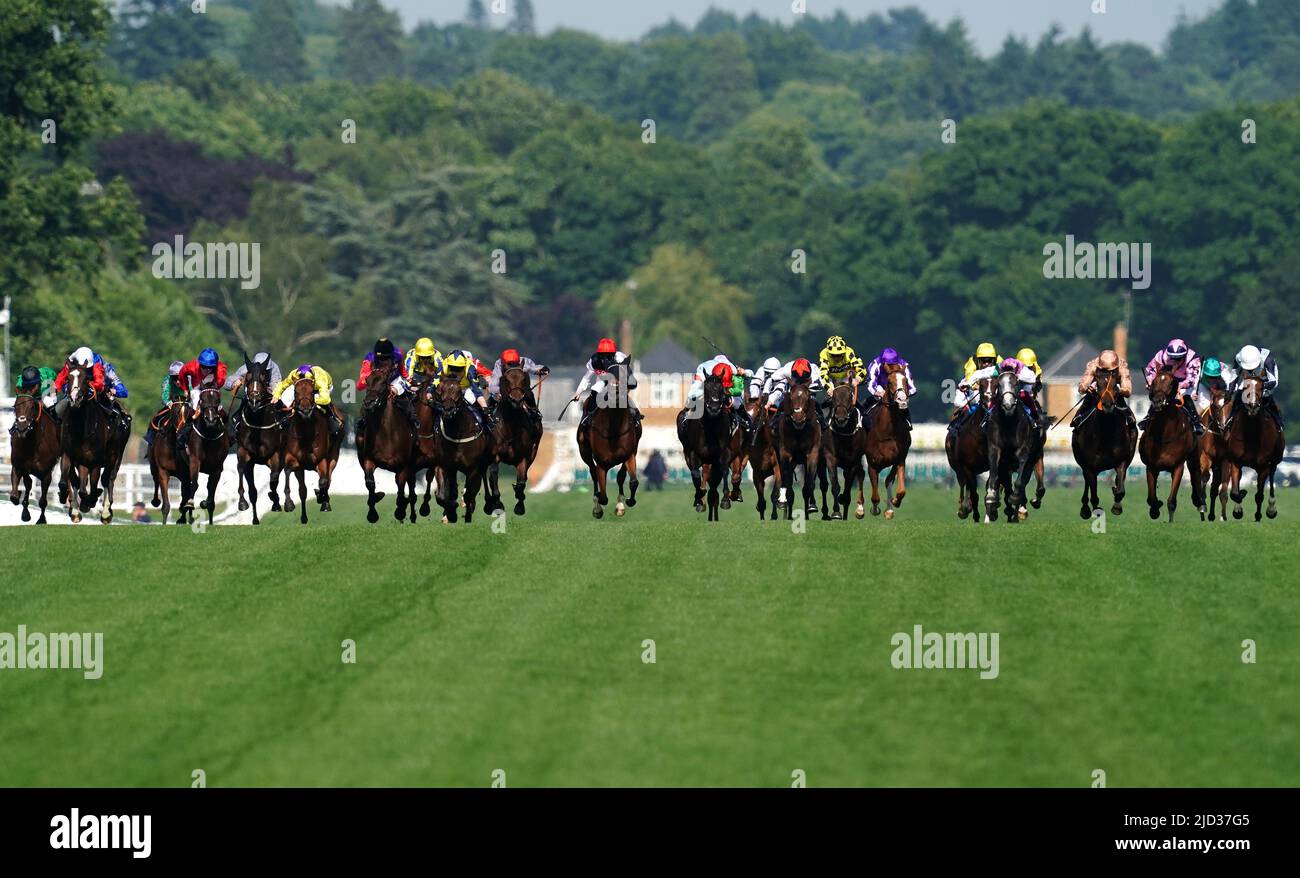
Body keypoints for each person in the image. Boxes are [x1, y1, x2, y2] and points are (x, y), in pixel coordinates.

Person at [572, 337, 641, 432]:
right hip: (602, 379)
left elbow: (627, 374)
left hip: (617, 380)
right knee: (595, 390)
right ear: (599, 354)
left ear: (614, 354)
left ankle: (634, 416)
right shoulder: (594, 360)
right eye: (603, 355)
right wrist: (578, 392)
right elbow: (587, 377)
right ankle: (587, 417)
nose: (605, 358)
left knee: (622, 398)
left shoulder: (620, 358)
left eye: (609, 355)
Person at [1140, 338, 1204, 436]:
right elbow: (1152, 370)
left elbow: (1192, 378)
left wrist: (1180, 386)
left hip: (1184, 383)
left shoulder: (1192, 358)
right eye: (1173, 358)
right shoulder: (1161, 356)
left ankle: (1196, 423)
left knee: (1185, 395)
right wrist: (1150, 380)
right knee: (1158, 394)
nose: (1175, 361)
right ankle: (1148, 416)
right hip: (1167, 381)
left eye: (1179, 358)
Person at [356, 338, 417, 433]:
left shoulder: (398, 355)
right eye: (380, 359)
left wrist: (409, 380)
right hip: (378, 381)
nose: (383, 361)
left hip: (394, 380)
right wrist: (367, 381)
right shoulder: (369, 358)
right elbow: (363, 378)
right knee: (371, 396)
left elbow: (402, 371)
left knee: (401, 393)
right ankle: (363, 419)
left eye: (386, 358)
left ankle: (412, 417)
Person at [273, 364, 345, 437]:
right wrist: (276, 396)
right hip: (305, 388)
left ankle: (332, 419)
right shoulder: (294, 375)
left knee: (317, 402)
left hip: (323, 388)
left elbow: (325, 399)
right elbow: (281, 385)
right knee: (287, 395)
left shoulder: (320, 379)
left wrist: (311, 400)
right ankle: (283, 420)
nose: (304, 382)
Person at [687, 354, 753, 432]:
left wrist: (744, 372)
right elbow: (695, 389)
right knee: (695, 398)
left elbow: (750, 374)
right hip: (704, 378)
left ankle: (745, 422)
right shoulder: (703, 369)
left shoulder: (733, 369)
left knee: (737, 402)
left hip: (721, 376)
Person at [1223, 344, 1282, 430]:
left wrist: (1259, 387)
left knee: (1267, 398)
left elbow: (1273, 381)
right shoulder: (1239, 358)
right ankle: (1230, 419)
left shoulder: (1267, 358)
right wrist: (1229, 391)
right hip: (1248, 381)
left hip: (1265, 381)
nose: (1250, 369)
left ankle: (1278, 423)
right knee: (1239, 397)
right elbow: (1234, 376)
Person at [224, 351, 282, 438]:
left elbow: (276, 387)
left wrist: (265, 390)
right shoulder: (247, 368)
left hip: (268, 400)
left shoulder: (274, 369)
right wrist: (234, 382)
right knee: (235, 418)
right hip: (249, 399)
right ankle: (234, 434)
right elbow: (226, 384)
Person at [1071, 349, 1134, 428]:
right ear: (1099, 366)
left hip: (1114, 392)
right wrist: (1087, 388)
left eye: (1111, 370)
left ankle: (1130, 419)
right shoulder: (1093, 366)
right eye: (1104, 371)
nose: (1107, 373)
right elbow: (1082, 387)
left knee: (1120, 400)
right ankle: (1079, 417)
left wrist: (1119, 390)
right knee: (1088, 398)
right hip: (1097, 391)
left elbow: (1128, 391)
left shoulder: (1122, 367)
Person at [948, 342, 1000, 435]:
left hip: (989, 387)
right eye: (983, 360)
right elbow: (970, 382)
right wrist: (981, 387)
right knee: (958, 402)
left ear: (995, 359)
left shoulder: (1000, 362)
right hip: (972, 387)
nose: (986, 364)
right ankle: (955, 427)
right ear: (977, 360)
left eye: (990, 360)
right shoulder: (971, 364)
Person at [436, 350, 494, 430]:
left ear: (464, 366)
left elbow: (477, 391)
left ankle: (482, 423)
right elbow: (435, 383)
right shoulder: (443, 365)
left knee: (470, 398)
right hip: (450, 387)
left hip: (466, 388)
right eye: (452, 368)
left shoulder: (470, 368)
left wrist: (485, 408)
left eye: (458, 369)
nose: (455, 372)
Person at [488, 348, 549, 423]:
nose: (513, 366)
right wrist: (500, 393)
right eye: (509, 364)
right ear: (503, 363)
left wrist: (541, 368)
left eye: (515, 364)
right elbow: (492, 386)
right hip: (505, 390)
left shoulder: (523, 360)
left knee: (528, 392)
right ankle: (488, 417)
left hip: (521, 389)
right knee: (491, 399)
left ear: (518, 361)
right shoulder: (499, 364)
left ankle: (535, 412)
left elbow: (532, 367)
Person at [863, 347, 916, 429]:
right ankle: (861, 425)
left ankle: (908, 423)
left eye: (894, 364)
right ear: (883, 363)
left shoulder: (903, 365)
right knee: (865, 405)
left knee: (904, 407)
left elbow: (912, 388)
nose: (892, 368)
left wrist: (904, 394)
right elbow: (871, 385)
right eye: (889, 365)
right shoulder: (875, 365)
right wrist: (878, 393)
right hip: (879, 390)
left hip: (897, 392)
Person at [145, 361, 188, 446]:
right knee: (156, 417)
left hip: (186, 404)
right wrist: (168, 402)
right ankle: (150, 440)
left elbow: (194, 393)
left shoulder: (189, 380)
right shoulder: (167, 381)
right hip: (172, 404)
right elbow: (164, 395)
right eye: (175, 378)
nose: (178, 381)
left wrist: (189, 396)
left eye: (180, 378)